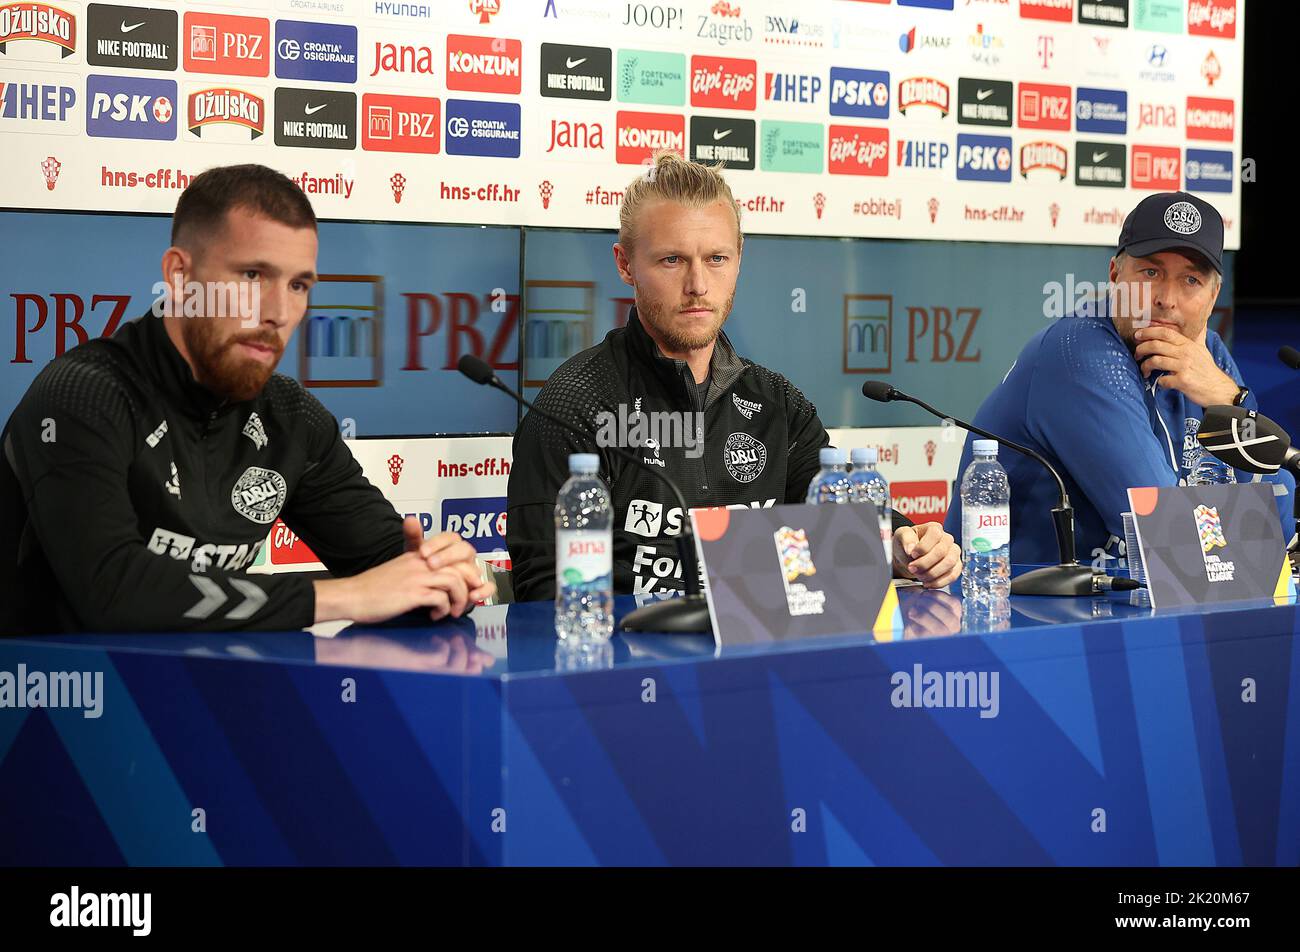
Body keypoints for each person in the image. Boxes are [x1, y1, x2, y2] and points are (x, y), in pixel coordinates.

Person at [0, 164, 493, 635]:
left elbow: (387, 564)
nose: (278, 312)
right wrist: (341, 598)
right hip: (58, 706)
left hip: (215, 703)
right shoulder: (82, 395)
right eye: (253, 276)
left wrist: (438, 575)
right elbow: (111, 590)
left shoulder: (292, 418)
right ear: (179, 275)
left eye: (299, 285)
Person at [508, 152, 961, 601]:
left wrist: (904, 545)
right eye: (672, 260)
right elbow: (544, 593)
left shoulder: (777, 404)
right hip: (631, 665)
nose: (698, 285)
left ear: (739, 258)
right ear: (625, 264)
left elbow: (846, 524)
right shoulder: (574, 405)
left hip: (760, 664)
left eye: (717, 258)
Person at [943, 191, 1295, 567]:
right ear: (1115, 275)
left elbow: (1279, 523)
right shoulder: (1078, 351)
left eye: (1190, 280)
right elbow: (1162, 530)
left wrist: (1231, 398)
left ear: (1212, 297)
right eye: (1151, 273)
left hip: (1140, 605)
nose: (1167, 299)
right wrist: (1238, 532)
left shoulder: (1207, 353)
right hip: (1021, 610)